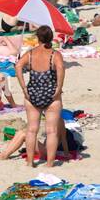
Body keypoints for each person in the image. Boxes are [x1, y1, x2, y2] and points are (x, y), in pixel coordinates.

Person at [15, 27, 65, 168]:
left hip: (32, 92)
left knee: (31, 129)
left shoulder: (30, 54)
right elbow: (61, 68)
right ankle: (49, 163)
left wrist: (23, 87)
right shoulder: (55, 54)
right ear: (51, 38)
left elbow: (18, 66)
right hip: (51, 93)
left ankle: (30, 162)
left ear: (38, 37)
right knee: (51, 131)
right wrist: (59, 88)